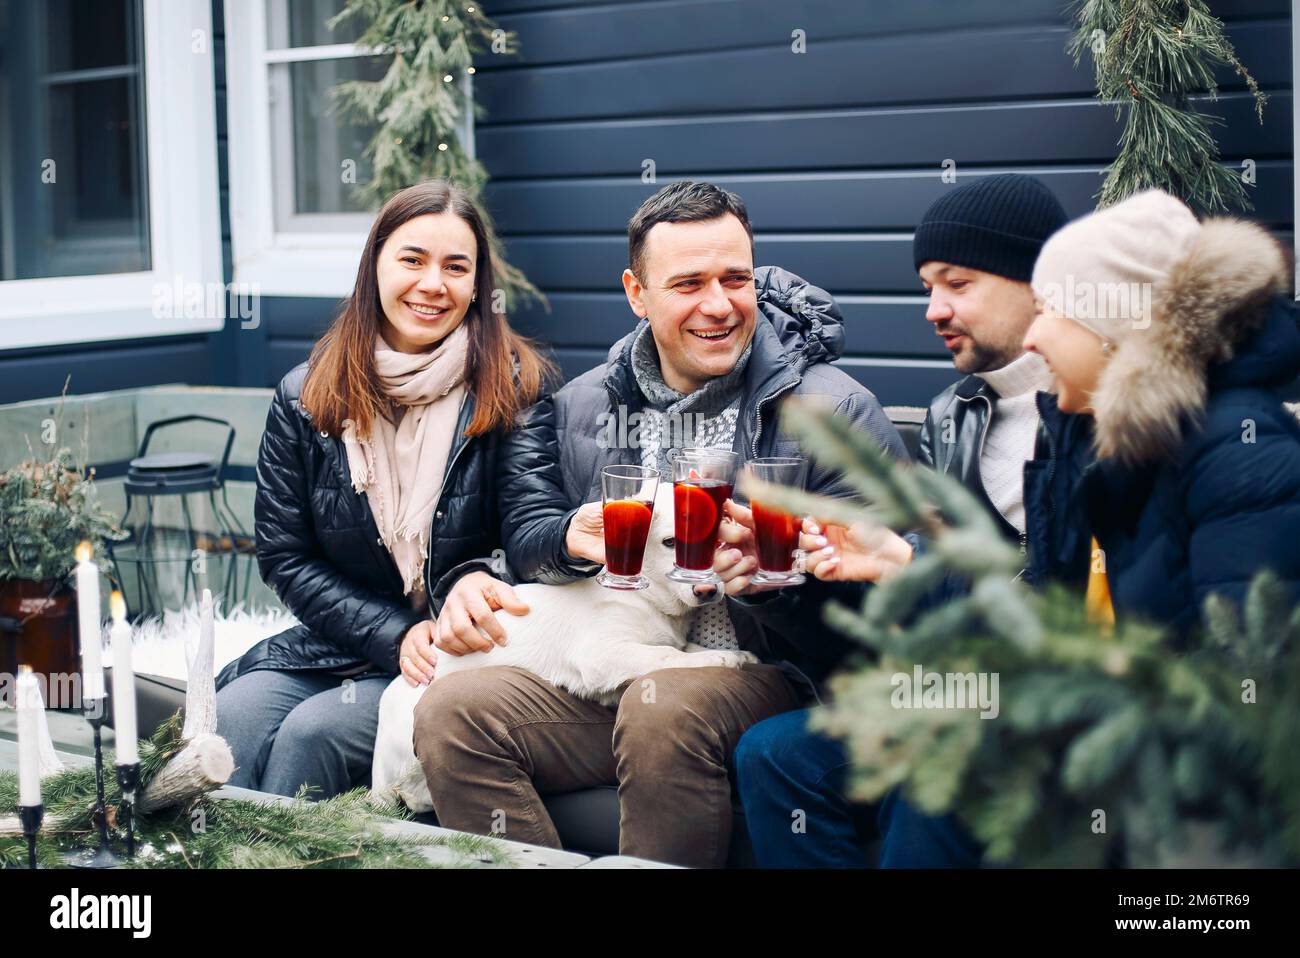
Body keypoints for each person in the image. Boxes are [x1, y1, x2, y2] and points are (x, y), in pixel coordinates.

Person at [410, 180, 907, 867]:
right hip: (623, 653)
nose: (719, 304)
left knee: (662, 701)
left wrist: (776, 581)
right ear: (637, 294)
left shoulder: (834, 412)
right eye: (689, 283)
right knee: (451, 712)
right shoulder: (584, 403)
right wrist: (521, 558)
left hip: (778, 672)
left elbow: (898, 605)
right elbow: (526, 539)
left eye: (736, 278)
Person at [727, 174, 1085, 868]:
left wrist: (906, 560)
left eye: (957, 283)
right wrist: (805, 573)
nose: (933, 309)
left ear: (1040, 281)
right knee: (774, 752)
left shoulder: (1095, 413)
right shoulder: (958, 414)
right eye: (927, 287)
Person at [214, 181, 554, 798]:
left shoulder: (513, 391)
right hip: (341, 643)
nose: (433, 284)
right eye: (413, 259)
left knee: (311, 737)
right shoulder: (305, 396)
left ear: (478, 286)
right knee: (229, 721)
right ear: (375, 265)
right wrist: (391, 632)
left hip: (453, 654)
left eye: (456, 267)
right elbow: (285, 556)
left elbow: (530, 537)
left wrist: (465, 594)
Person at [1025, 188, 1300, 629]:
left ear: (1112, 323)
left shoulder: (1237, 450)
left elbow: (1250, 676)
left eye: (1047, 310)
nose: (1030, 338)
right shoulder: (1122, 439)